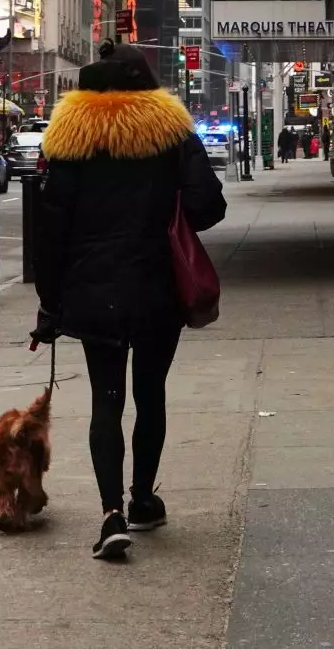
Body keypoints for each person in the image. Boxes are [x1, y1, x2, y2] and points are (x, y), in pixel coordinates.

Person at [30, 43, 226, 561]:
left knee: (106, 400)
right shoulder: (171, 131)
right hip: (157, 286)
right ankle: (143, 500)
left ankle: (109, 514)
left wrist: (51, 304)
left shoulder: (68, 137)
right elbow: (209, 205)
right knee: (151, 394)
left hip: (94, 291)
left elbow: (49, 230)